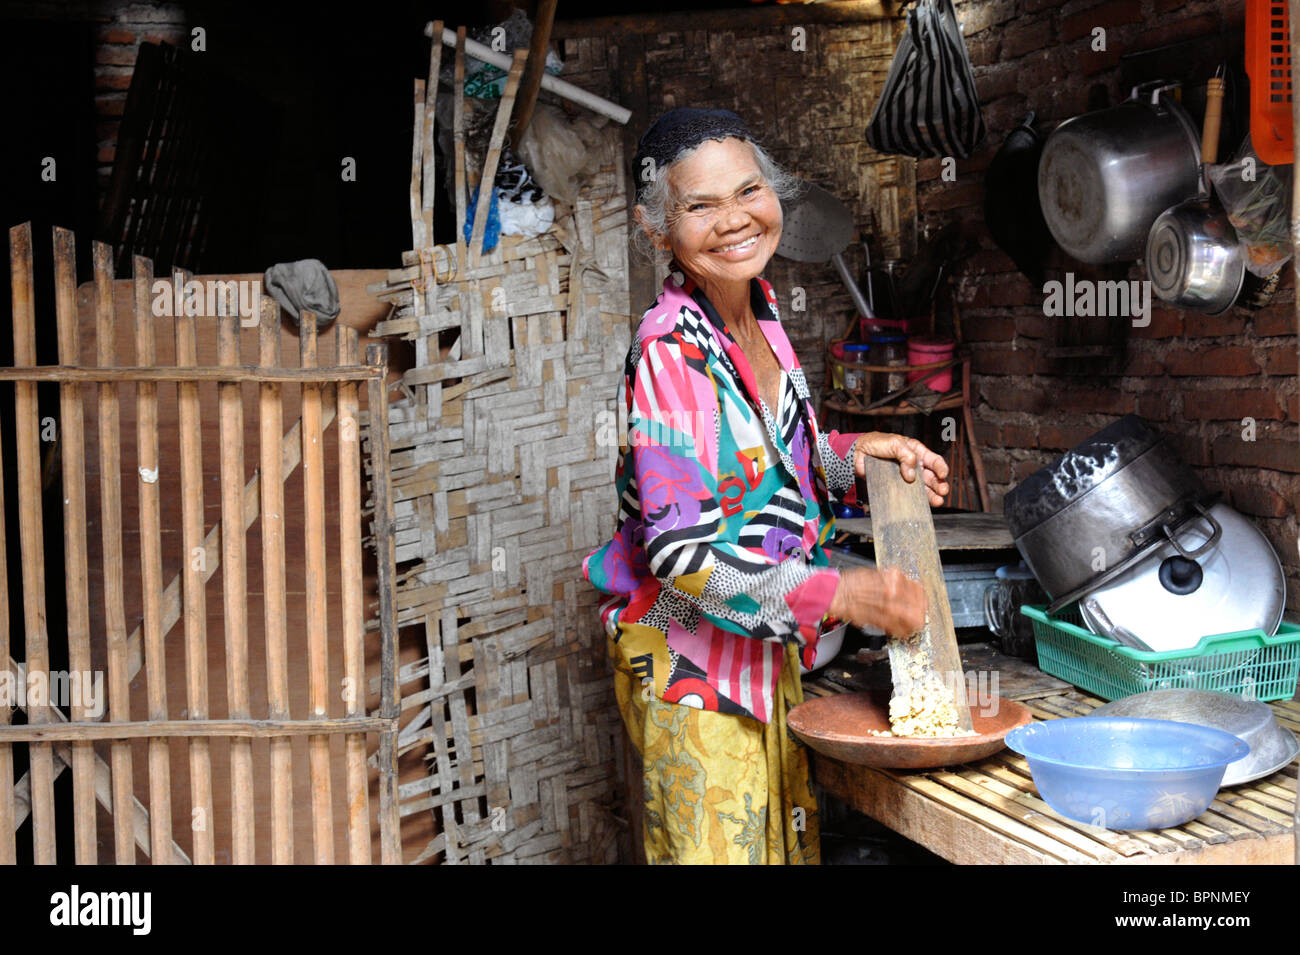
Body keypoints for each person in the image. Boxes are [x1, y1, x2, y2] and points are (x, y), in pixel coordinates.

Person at [583, 108, 950, 865]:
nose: (733, 220)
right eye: (699, 205)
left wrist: (856, 454)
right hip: (691, 665)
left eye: (748, 191)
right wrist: (843, 595)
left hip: (762, 646)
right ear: (659, 230)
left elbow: (781, 467)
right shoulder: (672, 358)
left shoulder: (762, 317)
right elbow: (683, 556)